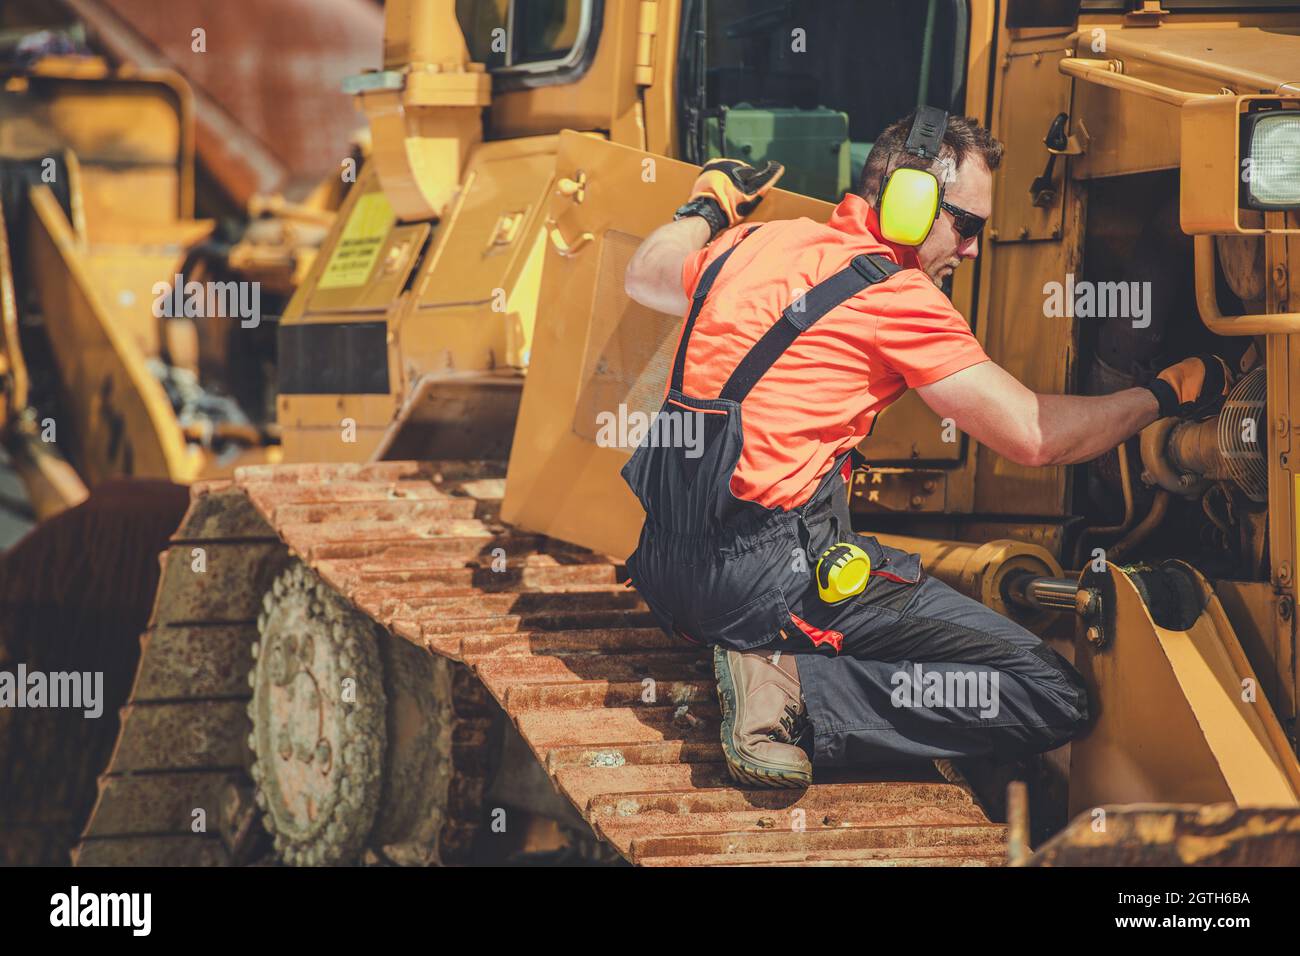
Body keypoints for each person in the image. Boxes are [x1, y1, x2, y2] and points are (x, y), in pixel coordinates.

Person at [620, 109, 1229, 788]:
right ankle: (787, 689)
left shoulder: (757, 242)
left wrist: (709, 202)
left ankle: (762, 653)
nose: (970, 250)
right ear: (911, 203)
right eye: (966, 225)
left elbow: (646, 271)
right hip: (764, 586)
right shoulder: (898, 299)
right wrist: (1167, 396)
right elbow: (1036, 434)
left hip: (665, 570)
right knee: (1049, 692)